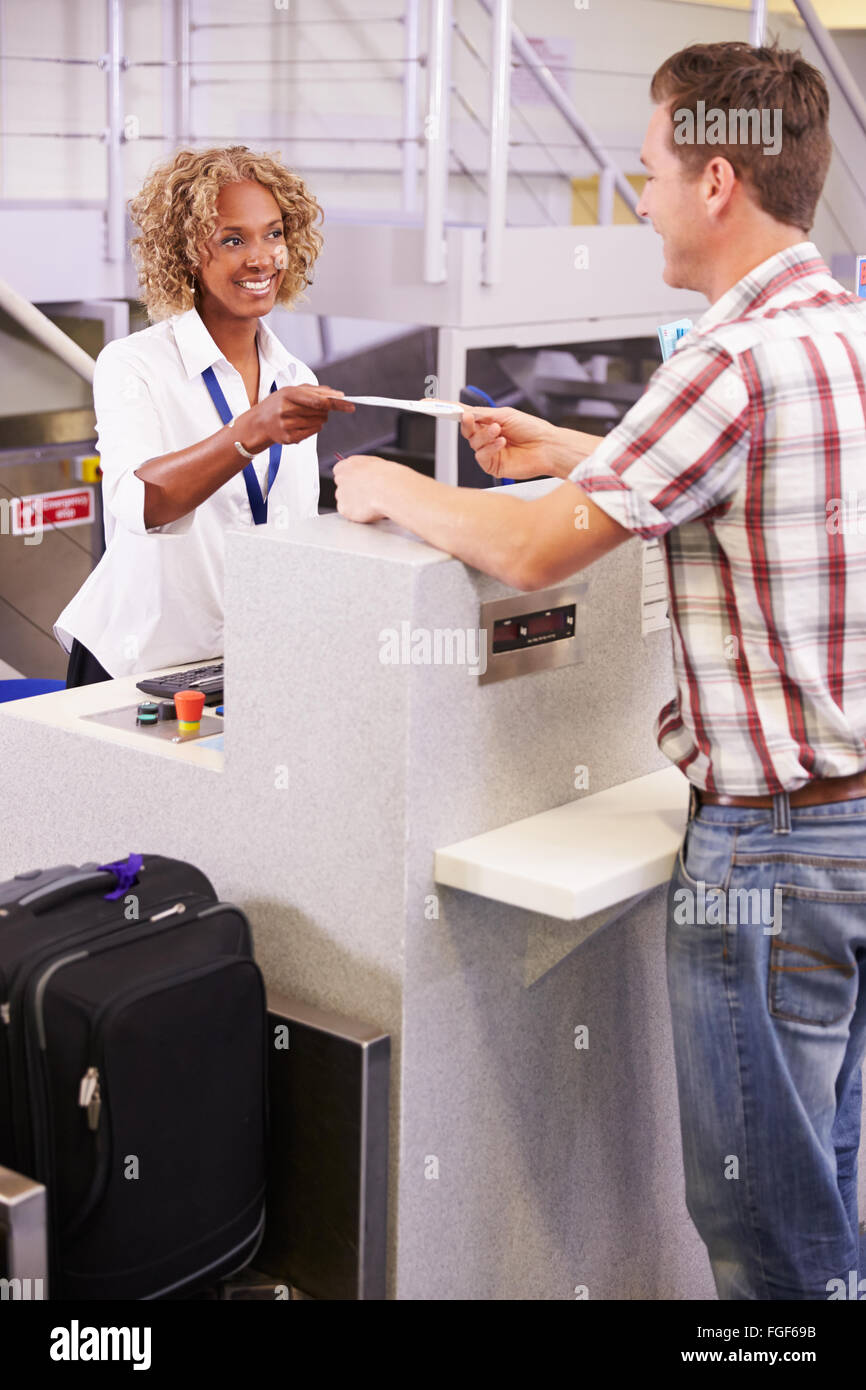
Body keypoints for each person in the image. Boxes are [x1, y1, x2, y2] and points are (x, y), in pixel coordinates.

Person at [332, 41, 866, 1300]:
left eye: (648, 172)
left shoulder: (725, 364)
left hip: (773, 856)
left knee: (760, 1236)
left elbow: (523, 558)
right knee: (828, 1192)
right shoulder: (833, 332)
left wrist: (392, 483)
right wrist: (576, 449)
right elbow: (764, 471)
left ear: (718, 178)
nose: (638, 200)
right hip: (850, 833)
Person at [55, 145, 354, 683]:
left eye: (274, 234)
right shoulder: (133, 364)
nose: (261, 258)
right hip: (139, 660)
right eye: (233, 240)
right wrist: (249, 432)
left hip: (240, 660)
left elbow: (293, 534)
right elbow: (141, 506)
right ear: (188, 252)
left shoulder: (296, 378)